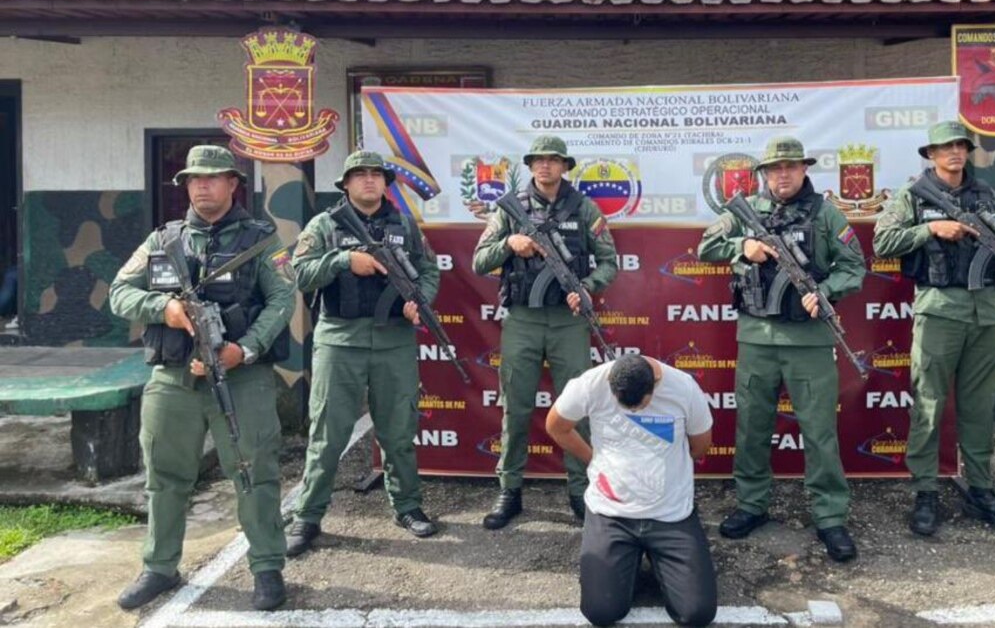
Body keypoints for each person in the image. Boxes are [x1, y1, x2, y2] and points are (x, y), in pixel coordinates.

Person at [109, 145, 294, 611]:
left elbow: (283, 300)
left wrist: (244, 348)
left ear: (233, 183)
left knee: (253, 471)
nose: (202, 186)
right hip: (172, 380)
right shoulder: (162, 240)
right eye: (194, 179)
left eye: (212, 178)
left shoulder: (262, 240)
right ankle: (159, 567)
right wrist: (163, 308)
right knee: (164, 475)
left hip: (241, 378)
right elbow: (119, 292)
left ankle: (267, 567)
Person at [697, 136, 865, 561]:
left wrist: (824, 292)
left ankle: (830, 515)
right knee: (752, 428)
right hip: (756, 339)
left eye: (791, 167)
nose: (783, 174)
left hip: (808, 342)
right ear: (764, 174)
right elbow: (705, 246)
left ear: (804, 169)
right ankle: (751, 504)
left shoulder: (826, 214)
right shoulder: (747, 212)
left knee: (819, 433)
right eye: (775, 169)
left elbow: (854, 267)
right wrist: (742, 246)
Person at [872, 120, 995, 537]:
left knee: (978, 407)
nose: (955, 153)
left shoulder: (986, 195)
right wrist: (930, 228)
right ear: (931, 154)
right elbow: (882, 241)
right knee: (928, 402)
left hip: (984, 309)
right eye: (945, 148)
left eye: (960, 146)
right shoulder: (912, 195)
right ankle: (925, 491)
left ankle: (981, 489)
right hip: (939, 308)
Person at [284, 151, 442, 557]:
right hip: (340, 340)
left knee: (398, 430)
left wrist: (419, 300)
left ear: (385, 183)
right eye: (360, 175)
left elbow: (429, 270)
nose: (369, 181)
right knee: (327, 433)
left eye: (376, 175)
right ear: (346, 184)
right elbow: (298, 273)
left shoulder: (405, 225)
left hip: (394, 340)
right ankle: (308, 515)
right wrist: (342, 260)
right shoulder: (325, 225)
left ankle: (407, 506)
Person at [471, 135, 618, 529]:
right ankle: (510, 488)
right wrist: (509, 243)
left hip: (569, 322)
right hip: (523, 320)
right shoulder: (510, 209)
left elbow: (609, 261)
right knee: (515, 405)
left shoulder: (584, 209)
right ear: (531, 165)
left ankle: (579, 488)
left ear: (564, 166)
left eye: (553, 160)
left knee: (575, 407)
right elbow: (480, 261)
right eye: (538, 160)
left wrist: (587, 287)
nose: (545, 167)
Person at [546, 354, 717, 627]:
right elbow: (556, 426)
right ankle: (628, 561)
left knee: (697, 614)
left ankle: (649, 560)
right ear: (612, 385)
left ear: (653, 388)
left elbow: (701, 446)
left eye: (640, 405)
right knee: (600, 612)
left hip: (671, 514)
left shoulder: (683, 387)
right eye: (624, 404)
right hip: (611, 513)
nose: (634, 411)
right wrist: (593, 459)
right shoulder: (591, 383)